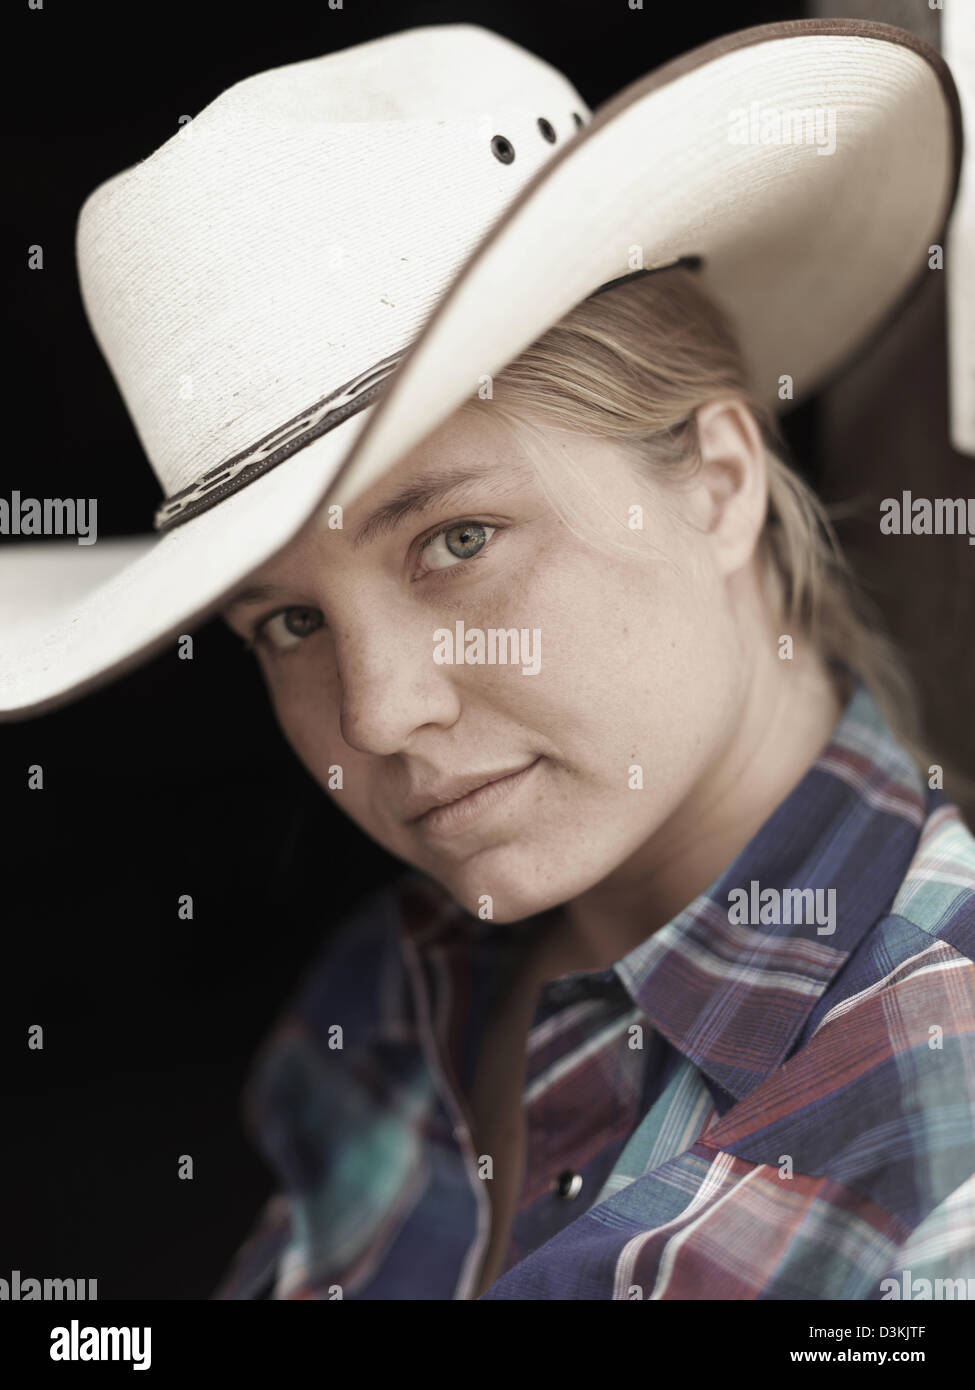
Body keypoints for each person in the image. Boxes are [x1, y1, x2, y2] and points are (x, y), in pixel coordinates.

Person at [1, 21, 972, 1301]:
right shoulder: (394, 996)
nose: (382, 713)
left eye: (458, 538)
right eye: (285, 622)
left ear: (721, 483)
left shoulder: (937, 1135)